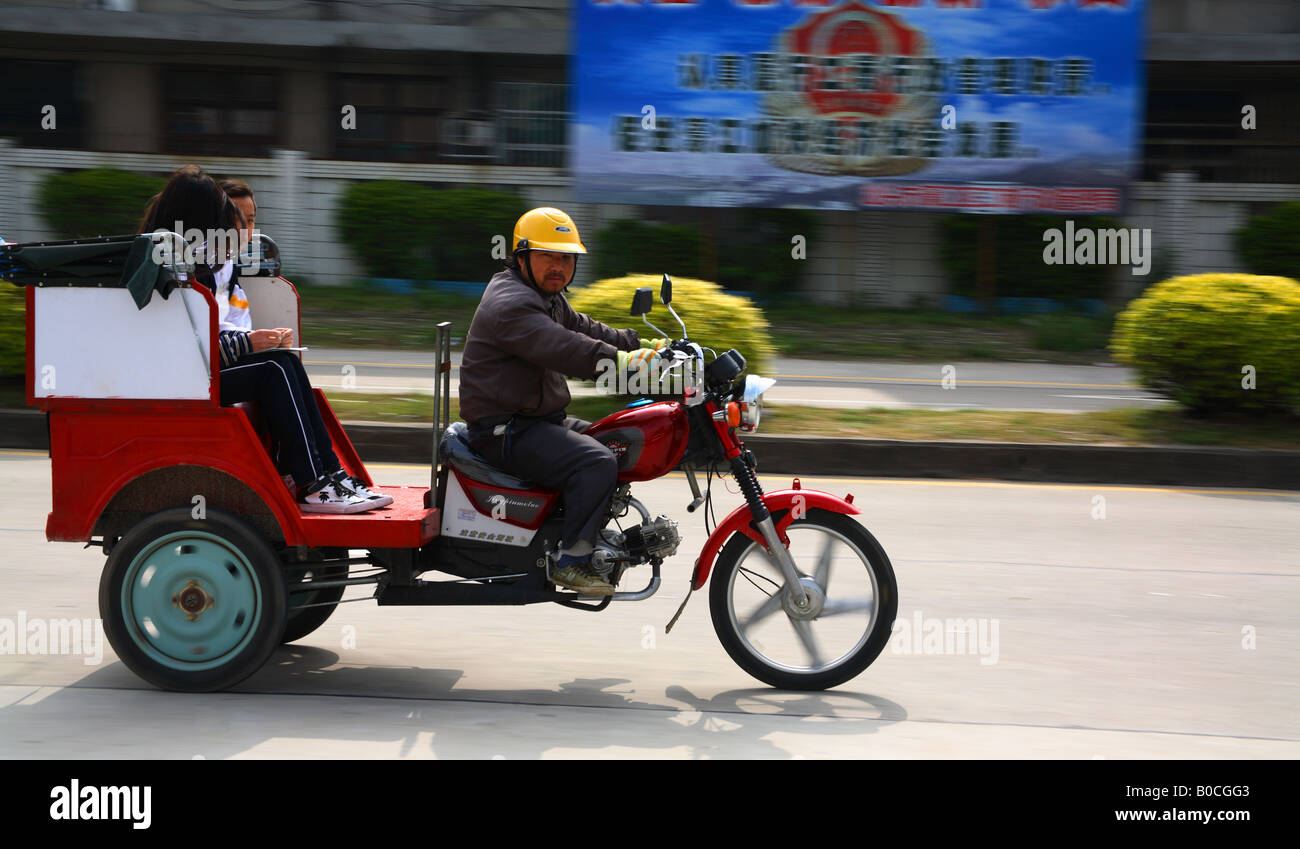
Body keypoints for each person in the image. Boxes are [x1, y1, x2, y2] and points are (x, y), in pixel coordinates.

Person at [139, 165, 389, 512]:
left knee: (282, 361)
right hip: (181, 381)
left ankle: (327, 474)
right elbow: (187, 349)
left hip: (196, 374)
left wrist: (254, 342)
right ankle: (313, 481)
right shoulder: (172, 268)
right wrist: (249, 344)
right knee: (274, 367)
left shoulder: (193, 264)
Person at [458, 207, 667, 595]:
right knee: (596, 461)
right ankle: (572, 559)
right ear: (521, 257)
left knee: (619, 441)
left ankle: (586, 533)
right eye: (548, 256)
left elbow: (584, 328)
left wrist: (642, 345)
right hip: (504, 429)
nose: (559, 266)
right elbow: (565, 347)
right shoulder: (513, 303)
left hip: (537, 421)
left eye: (567, 258)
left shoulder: (545, 296)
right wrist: (621, 362)